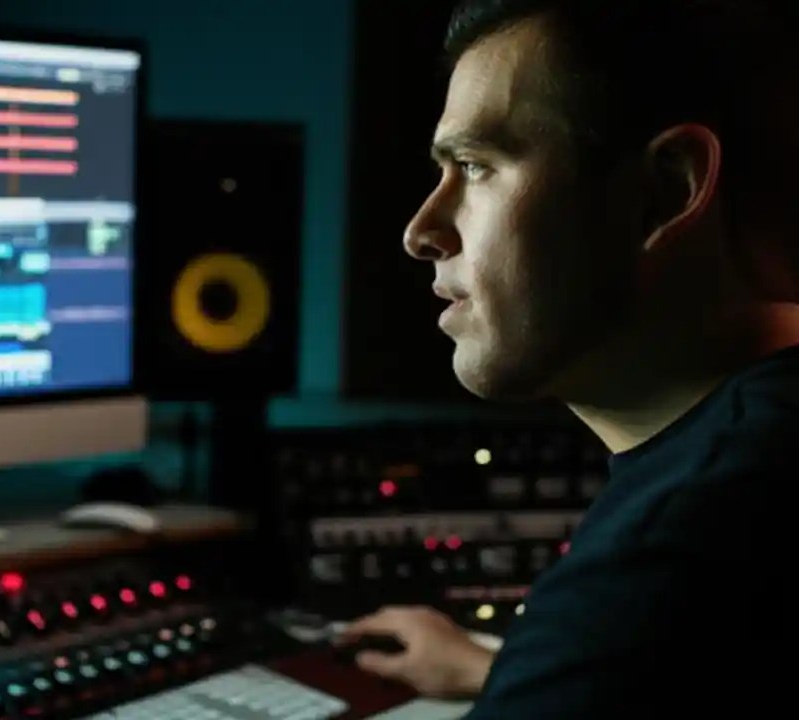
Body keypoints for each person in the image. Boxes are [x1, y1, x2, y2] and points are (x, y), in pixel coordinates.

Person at [338, 0, 797, 715]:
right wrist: (514, 671)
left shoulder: (672, 552)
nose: (421, 231)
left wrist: (574, 653)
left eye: (475, 165)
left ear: (664, 191)